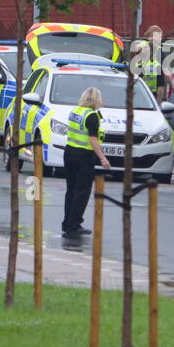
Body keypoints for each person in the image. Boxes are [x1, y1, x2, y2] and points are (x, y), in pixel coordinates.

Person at [62, 86, 112, 238]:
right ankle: (74, 224)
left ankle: (67, 223)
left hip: (69, 152)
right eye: (101, 98)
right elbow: (92, 139)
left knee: (71, 190)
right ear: (96, 100)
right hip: (83, 155)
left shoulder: (76, 111)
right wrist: (103, 158)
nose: (103, 101)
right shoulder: (91, 116)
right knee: (82, 192)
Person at [136, 25, 174, 102]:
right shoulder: (159, 50)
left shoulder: (140, 45)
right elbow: (166, 73)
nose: (161, 39)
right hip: (153, 91)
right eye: (160, 36)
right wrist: (172, 86)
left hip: (139, 87)